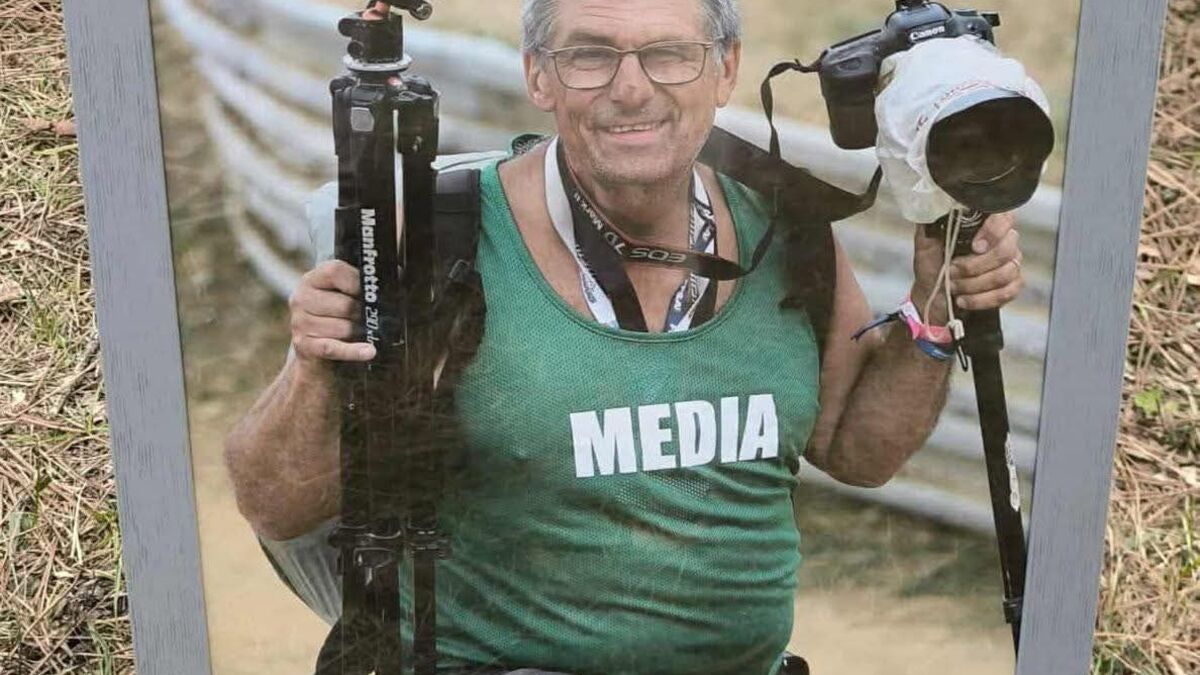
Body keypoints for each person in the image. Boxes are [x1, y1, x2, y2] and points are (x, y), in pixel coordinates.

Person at [223, 1, 1026, 673]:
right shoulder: (442, 239)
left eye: (671, 54)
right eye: (590, 55)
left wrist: (935, 302)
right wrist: (314, 364)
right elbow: (275, 501)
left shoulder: (789, 229)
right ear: (538, 75)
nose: (632, 89)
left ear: (726, 68)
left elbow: (858, 448)